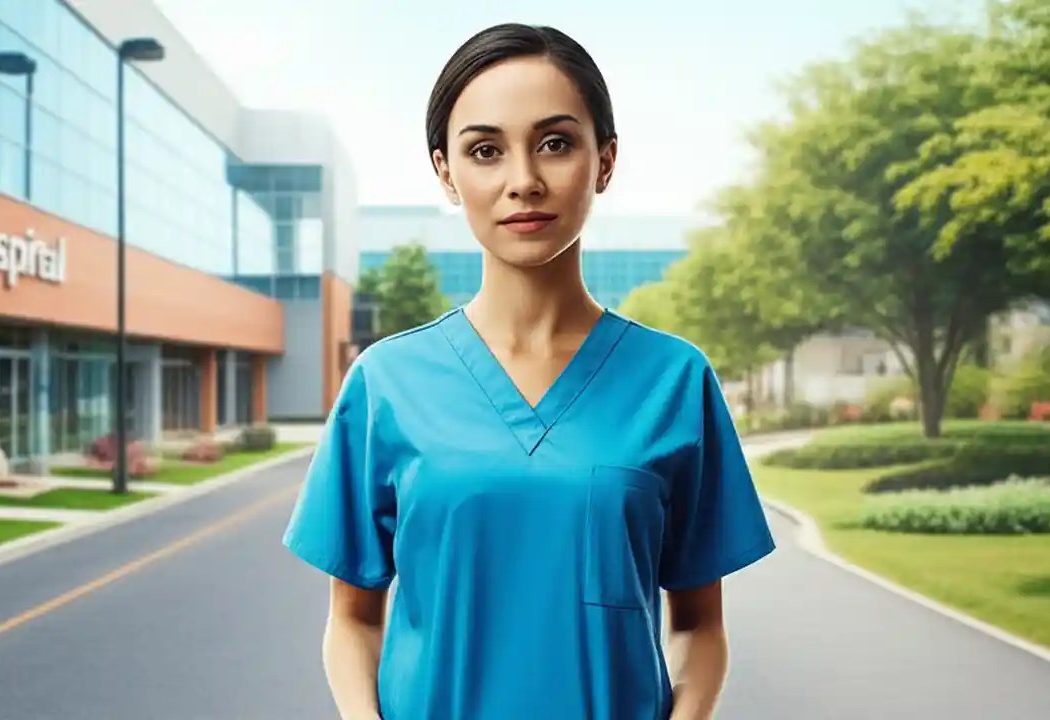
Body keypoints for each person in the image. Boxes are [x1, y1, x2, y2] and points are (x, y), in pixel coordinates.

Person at [282, 22, 775, 720]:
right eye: (486, 150)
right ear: (446, 174)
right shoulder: (386, 383)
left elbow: (699, 625)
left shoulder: (675, 381)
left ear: (603, 161)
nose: (524, 181)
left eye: (555, 143)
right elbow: (353, 621)